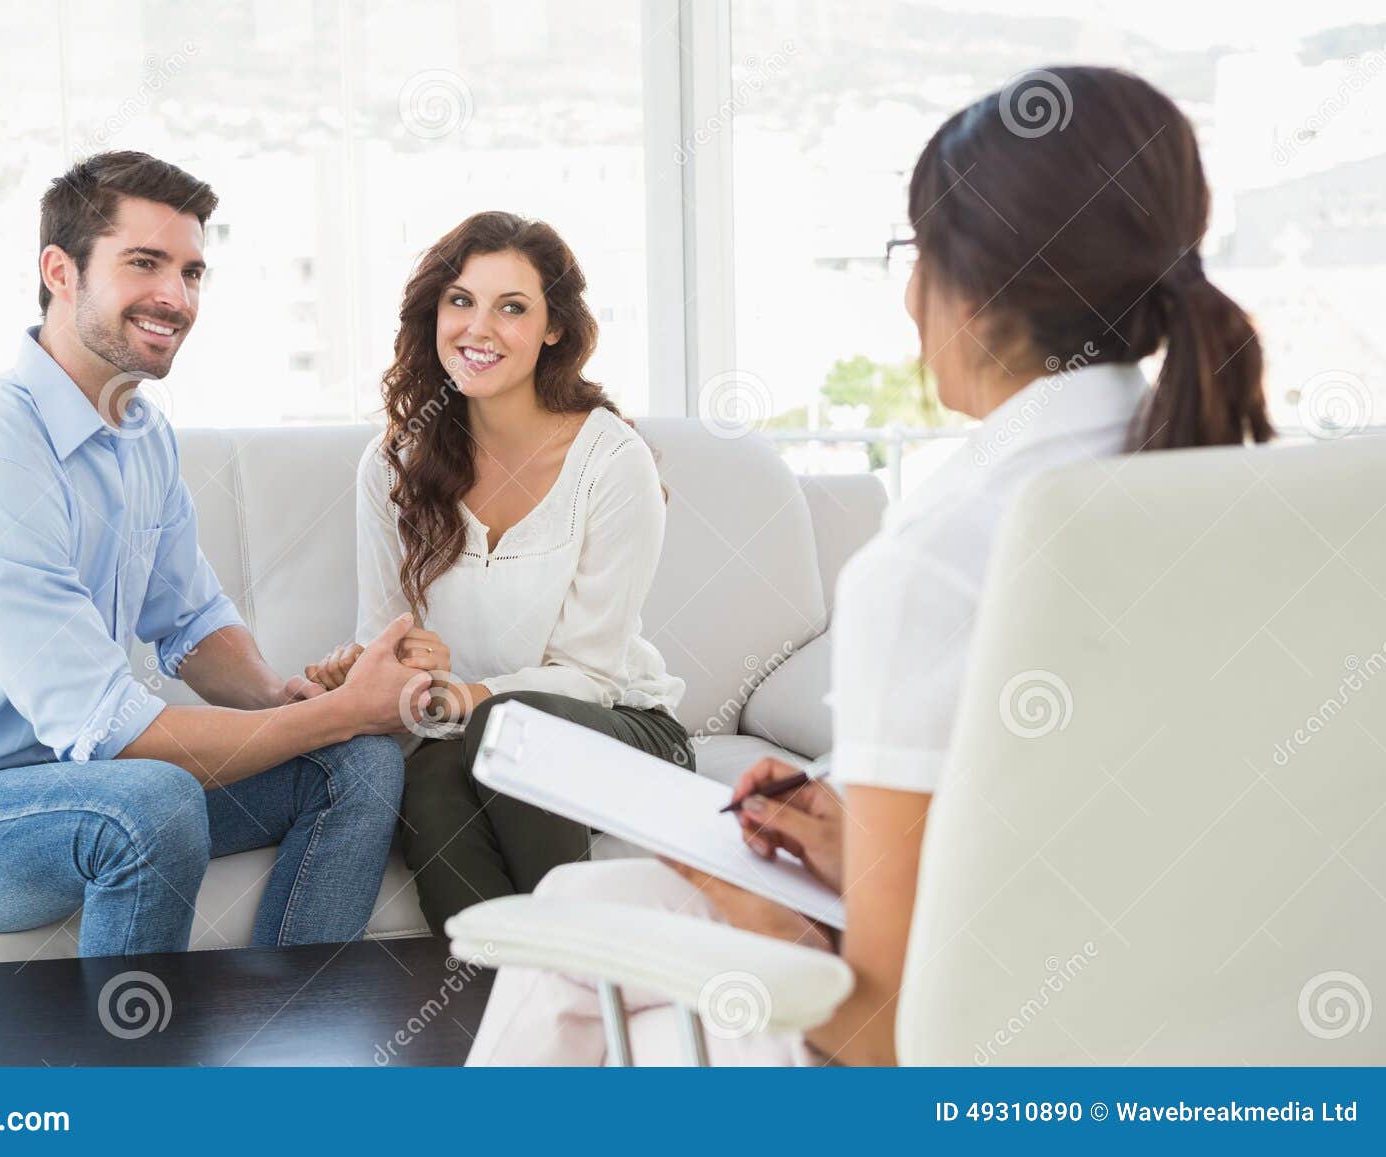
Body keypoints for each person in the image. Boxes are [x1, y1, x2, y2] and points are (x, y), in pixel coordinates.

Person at [462, 65, 1272, 1065]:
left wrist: (744, 904)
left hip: (1007, 1067)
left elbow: (892, 1039)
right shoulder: (1241, 494)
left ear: (966, 286)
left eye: (914, 250)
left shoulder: (939, 559)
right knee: (585, 895)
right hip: (1205, 1021)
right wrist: (859, 846)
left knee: (573, 957)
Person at [0, 151, 431, 956]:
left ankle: (285, 1019)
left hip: (76, 786)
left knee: (357, 762)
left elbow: (191, 619)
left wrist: (281, 697)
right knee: (150, 801)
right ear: (60, 272)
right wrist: (342, 708)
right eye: (145, 264)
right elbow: (112, 734)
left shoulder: (141, 438)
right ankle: (133, 1048)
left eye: (191, 272)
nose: (176, 297)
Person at [308, 211, 691, 934]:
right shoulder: (393, 465)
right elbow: (387, 639)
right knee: (430, 775)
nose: (478, 328)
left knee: (510, 725)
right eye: (461, 301)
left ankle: (580, 964)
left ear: (554, 328)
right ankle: (507, 992)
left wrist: (463, 697)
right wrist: (366, 671)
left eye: (512, 307)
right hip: (461, 736)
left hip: (620, 729)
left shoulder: (612, 462)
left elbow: (591, 674)